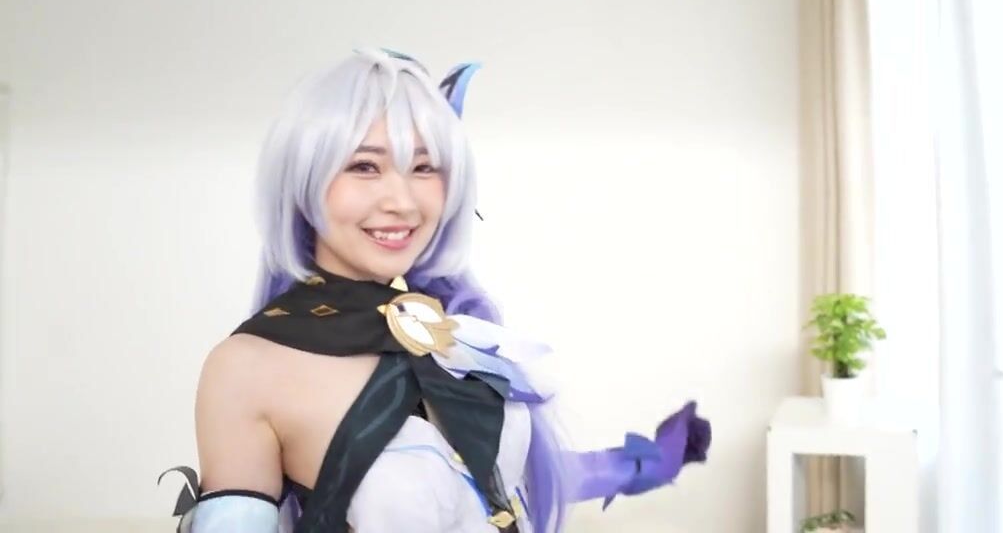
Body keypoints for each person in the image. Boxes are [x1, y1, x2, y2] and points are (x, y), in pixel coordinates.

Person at [158, 48, 710, 532]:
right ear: (303, 180)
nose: (402, 201)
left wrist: (636, 467)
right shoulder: (248, 367)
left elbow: (503, 487)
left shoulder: (454, 335)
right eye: (365, 166)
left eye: (424, 167)